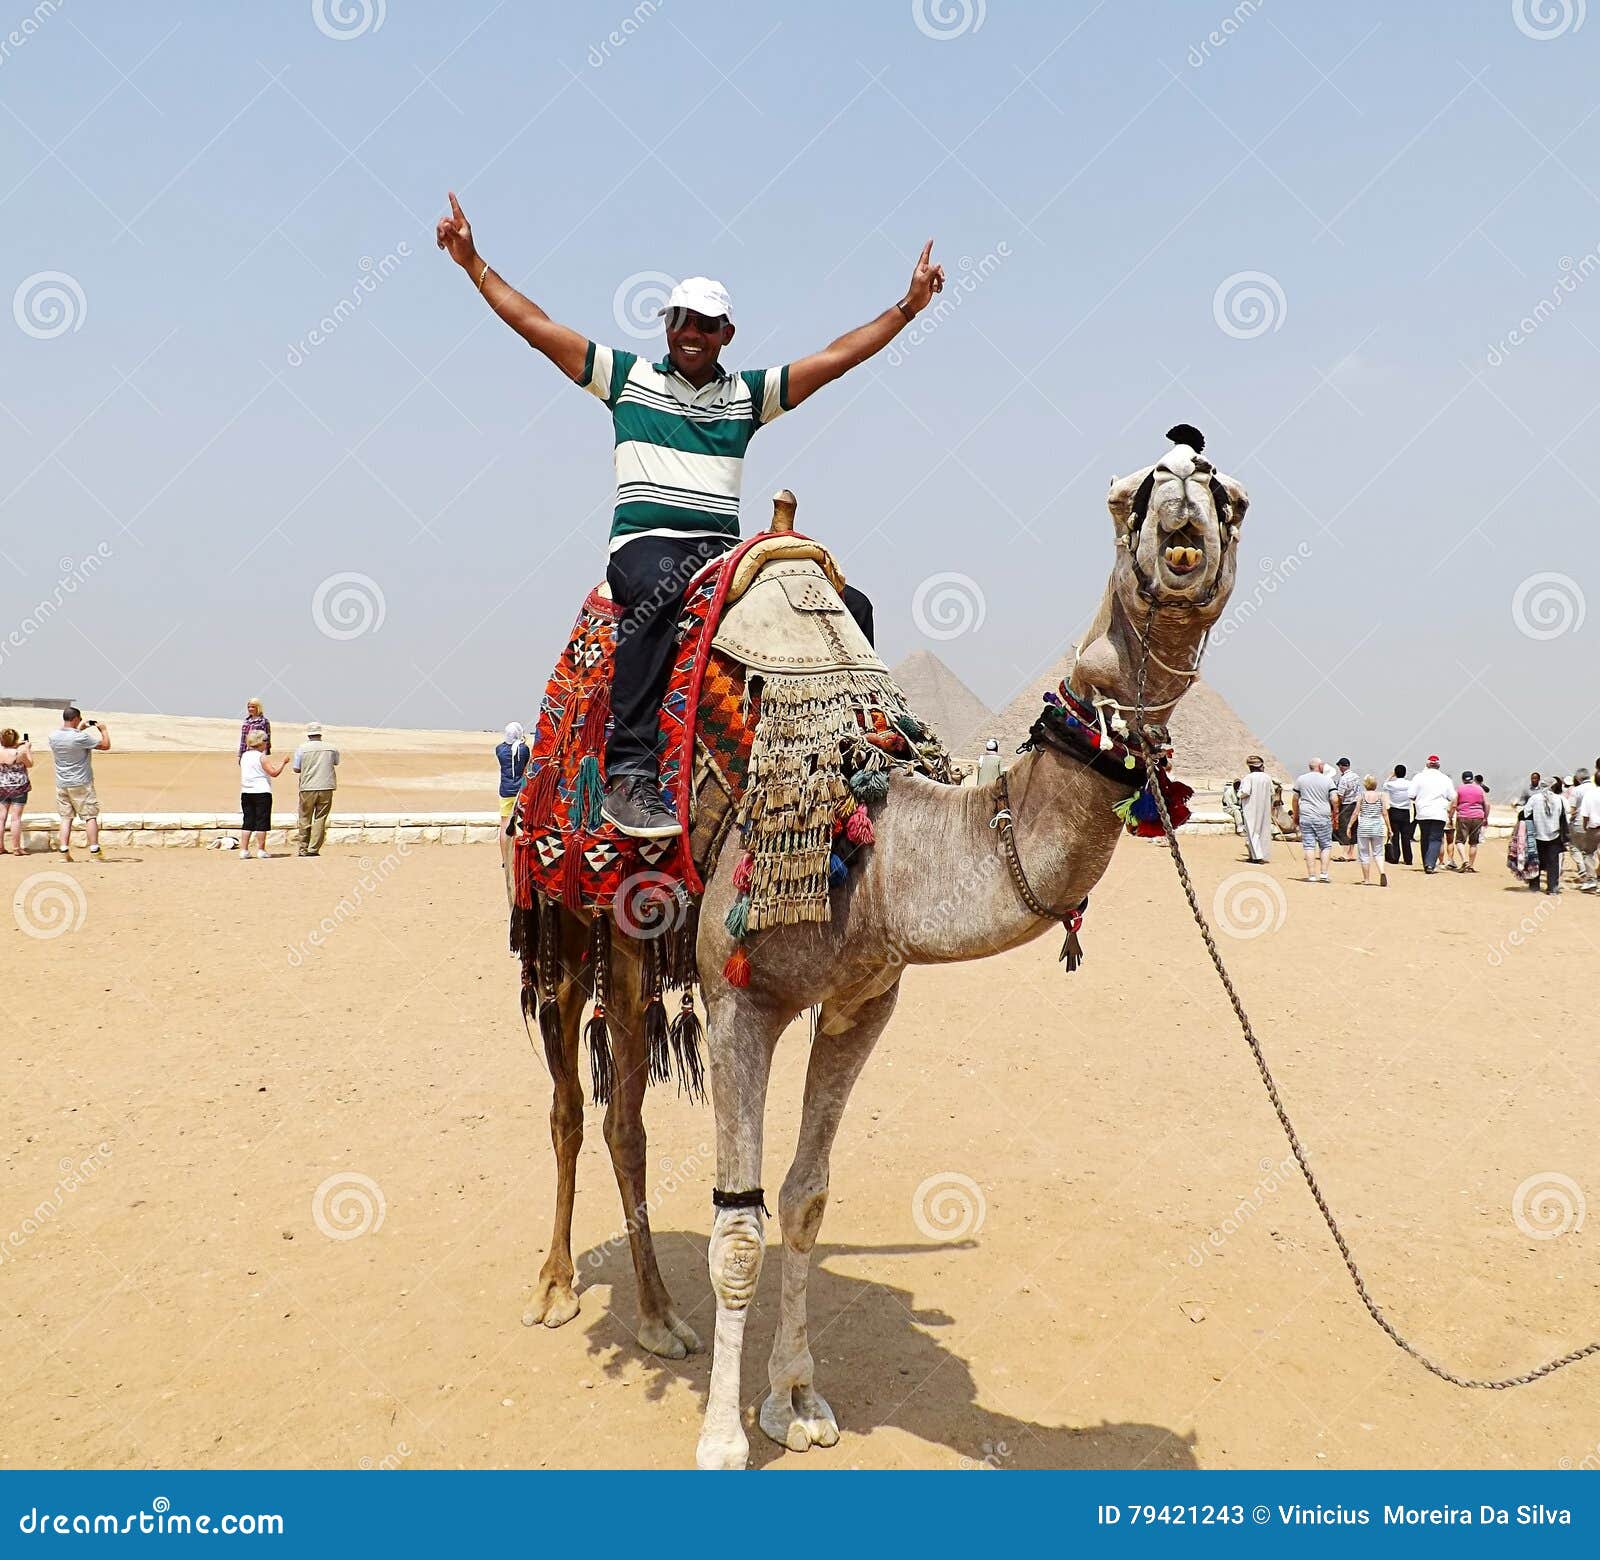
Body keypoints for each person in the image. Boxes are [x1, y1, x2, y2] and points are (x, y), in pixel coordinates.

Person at [436, 192, 945, 839]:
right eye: (681, 321)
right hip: (646, 546)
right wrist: (472, 261)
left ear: (726, 333)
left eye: (706, 324)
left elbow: (837, 358)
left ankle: (849, 756)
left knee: (849, 604)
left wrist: (907, 308)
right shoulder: (625, 379)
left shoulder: (747, 396)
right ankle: (631, 774)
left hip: (725, 557)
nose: (692, 334)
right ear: (666, 325)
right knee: (662, 584)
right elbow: (536, 327)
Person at [48, 707, 110, 860]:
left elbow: (72, 741)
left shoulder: (53, 736)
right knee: (90, 816)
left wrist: (81, 728)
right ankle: (95, 851)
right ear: (75, 718)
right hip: (81, 783)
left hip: (62, 782)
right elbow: (105, 745)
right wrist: (103, 730)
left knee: (66, 817)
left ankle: (64, 851)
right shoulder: (80, 738)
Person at [239, 730, 291, 859]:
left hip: (246, 791)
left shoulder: (244, 756)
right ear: (261, 742)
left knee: (248, 821)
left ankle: (244, 850)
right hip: (261, 791)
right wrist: (283, 763)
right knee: (262, 821)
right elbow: (273, 773)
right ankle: (261, 850)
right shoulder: (261, 757)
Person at [292, 722, 339, 858]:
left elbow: (296, 768)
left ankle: (303, 848)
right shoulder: (331, 748)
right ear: (320, 733)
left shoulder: (302, 749)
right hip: (326, 786)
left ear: (308, 734)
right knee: (320, 818)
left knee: (305, 817)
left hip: (307, 787)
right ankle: (313, 848)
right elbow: (336, 762)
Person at [1291, 757, 1336, 882]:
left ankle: (1311, 875)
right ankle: (1324, 874)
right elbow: (1334, 799)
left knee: (1309, 846)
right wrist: (1335, 812)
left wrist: (1296, 814)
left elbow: (1295, 799)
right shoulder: (1328, 780)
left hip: (1306, 815)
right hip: (1323, 816)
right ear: (1320, 766)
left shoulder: (1301, 779)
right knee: (1325, 846)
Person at [1409, 755, 1456, 875]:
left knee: (1425, 837)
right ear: (1438, 765)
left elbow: (1411, 794)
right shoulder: (1445, 779)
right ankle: (1430, 863)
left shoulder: (1418, 777)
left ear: (1427, 765)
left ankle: (1427, 863)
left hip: (1423, 812)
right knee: (1435, 839)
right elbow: (1452, 796)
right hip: (1439, 812)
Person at [1522, 777, 1568, 895]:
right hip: (1554, 835)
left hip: (1537, 834)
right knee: (1553, 862)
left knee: (1534, 860)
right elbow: (1565, 815)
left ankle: (1534, 886)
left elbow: (1526, 813)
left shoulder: (1534, 798)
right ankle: (1552, 887)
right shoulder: (1560, 799)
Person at [496, 721, 530, 866]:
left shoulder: (499, 749)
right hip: (521, 792)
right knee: (522, 825)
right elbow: (526, 762)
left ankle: (505, 860)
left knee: (504, 825)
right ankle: (520, 859)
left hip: (505, 791)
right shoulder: (524, 749)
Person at [0, 728, 33, 855]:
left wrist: (13, 744)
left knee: (1, 817)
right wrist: (27, 749)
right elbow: (30, 764)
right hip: (19, 787)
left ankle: (0, 847)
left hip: (2, 787)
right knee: (16, 818)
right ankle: (16, 848)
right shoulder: (19, 754)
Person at [1353, 774, 1389, 885]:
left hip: (1364, 827)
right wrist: (1389, 828)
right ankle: (1382, 871)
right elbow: (1385, 813)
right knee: (1378, 853)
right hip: (1377, 827)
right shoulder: (1381, 796)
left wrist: (1349, 826)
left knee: (1364, 853)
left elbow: (1356, 812)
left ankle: (1367, 879)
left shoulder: (1361, 796)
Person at [1451, 769, 1489, 873]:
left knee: (1459, 841)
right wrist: (1486, 817)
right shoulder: (1480, 789)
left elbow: (1454, 804)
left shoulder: (1460, 789)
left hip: (1463, 816)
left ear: (1463, 779)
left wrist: (1450, 816)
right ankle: (1471, 865)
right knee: (1473, 843)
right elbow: (1487, 804)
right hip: (1478, 817)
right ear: (1472, 779)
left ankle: (1464, 860)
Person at [1238, 754, 1274, 863]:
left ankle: (1256, 857)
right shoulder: (1267, 778)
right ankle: (1261, 854)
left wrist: (1238, 793)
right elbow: (1272, 793)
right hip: (1264, 808)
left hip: (1251, 808)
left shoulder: (1248, 778)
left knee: (1252, 832)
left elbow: (1245, 792)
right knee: (1263, 831)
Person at [1382, 763, 1414, 866]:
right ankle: (1408, 858)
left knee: (1395, 836)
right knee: (1406, 836)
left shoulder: (1392, 784)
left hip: (1394, 810)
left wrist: (1391, 775)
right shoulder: (1409, 784)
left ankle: (1395, 857)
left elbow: (1384, 785)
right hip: (1405, 811)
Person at [1575, 769, 1600, 894]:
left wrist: (1585, 827)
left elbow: (1585, 814)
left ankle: (1591, 880)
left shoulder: (1590, 794)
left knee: (1588, 853)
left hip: (1593, 828)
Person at [1331, 757, 1361, 862]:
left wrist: (1337, 808)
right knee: (1353, 828)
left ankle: (1345, 854)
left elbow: (1340, 795)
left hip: (1346, 805)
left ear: (1341, 766)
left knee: (1344, 829)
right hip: (1355, 804)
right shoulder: (1356, 776)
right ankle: (1351, 853)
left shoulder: (1344, 779)